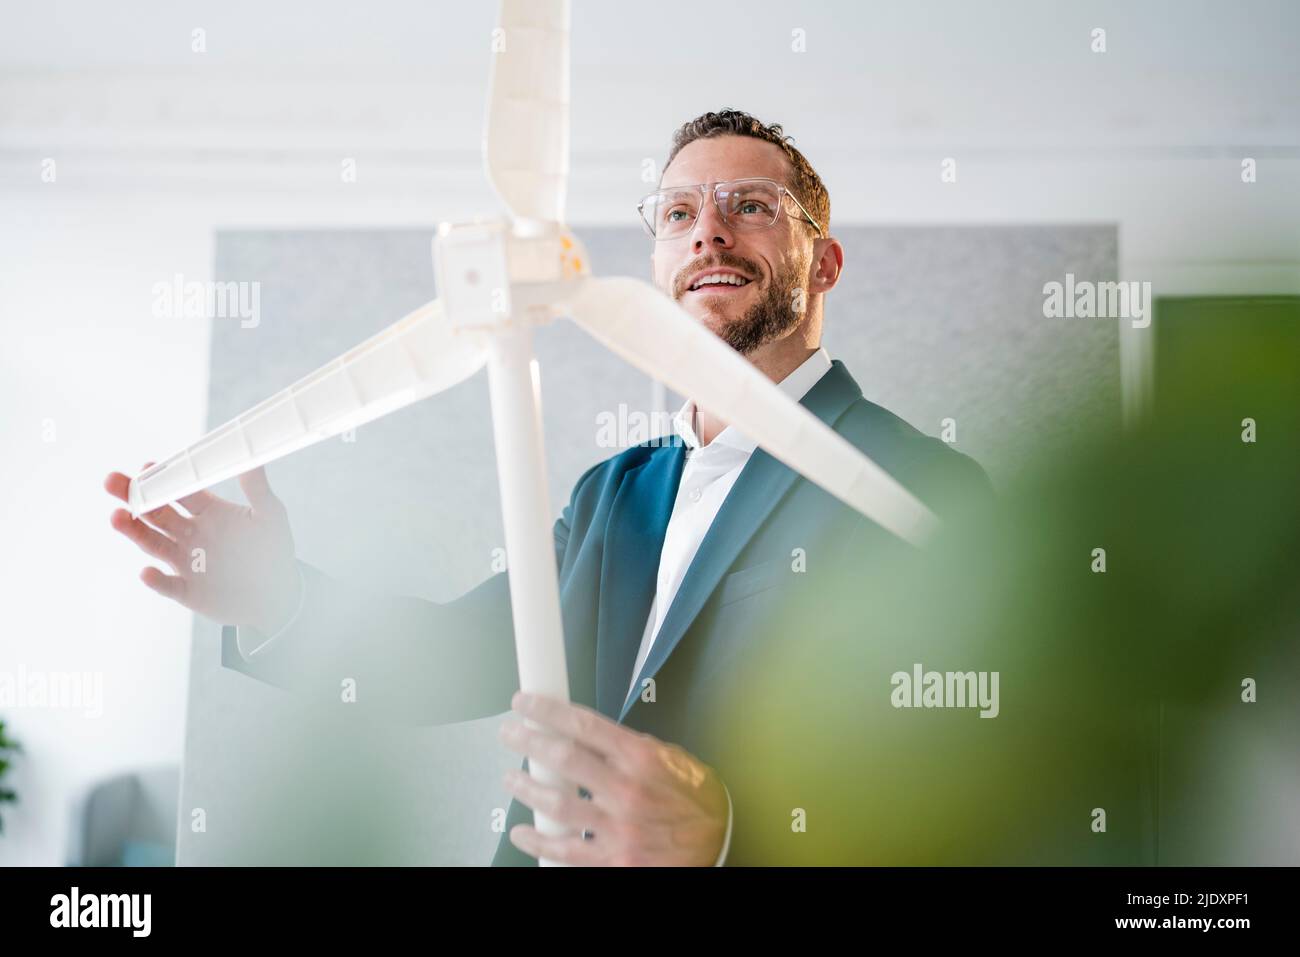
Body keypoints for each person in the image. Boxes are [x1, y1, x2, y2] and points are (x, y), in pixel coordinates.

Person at [106, 109, 993, 866]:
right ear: (657, 264)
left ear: (825, 263)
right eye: (679, 213)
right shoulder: (613, 493)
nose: (708, 232)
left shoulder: (919, 484)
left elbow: (976, 771)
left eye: (749, 207)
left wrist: (729, 838)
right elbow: (456, 656)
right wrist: (280, 599)